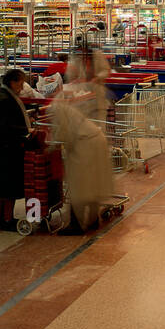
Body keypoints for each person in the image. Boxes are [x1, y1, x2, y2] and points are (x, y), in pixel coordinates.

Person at [47, 78, 115, 235]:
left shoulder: (55, 107)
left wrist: (51, 148)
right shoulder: (67, 106)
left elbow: (64, 132)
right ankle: (92, 220)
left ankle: (76, 225)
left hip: (86, 144)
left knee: (78, 185)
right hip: (95, 138)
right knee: (91, 184)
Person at [0, 68, 30, 231]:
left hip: (5, 148)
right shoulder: (4, 99)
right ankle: (7, 219)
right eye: (20, 84)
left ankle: (2, 217)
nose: (21, 88)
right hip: (8, 150)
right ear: (12, 82)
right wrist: (26, 131)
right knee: (9, 187)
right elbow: (5, 126)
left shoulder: (6, 96)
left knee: (5, 186)